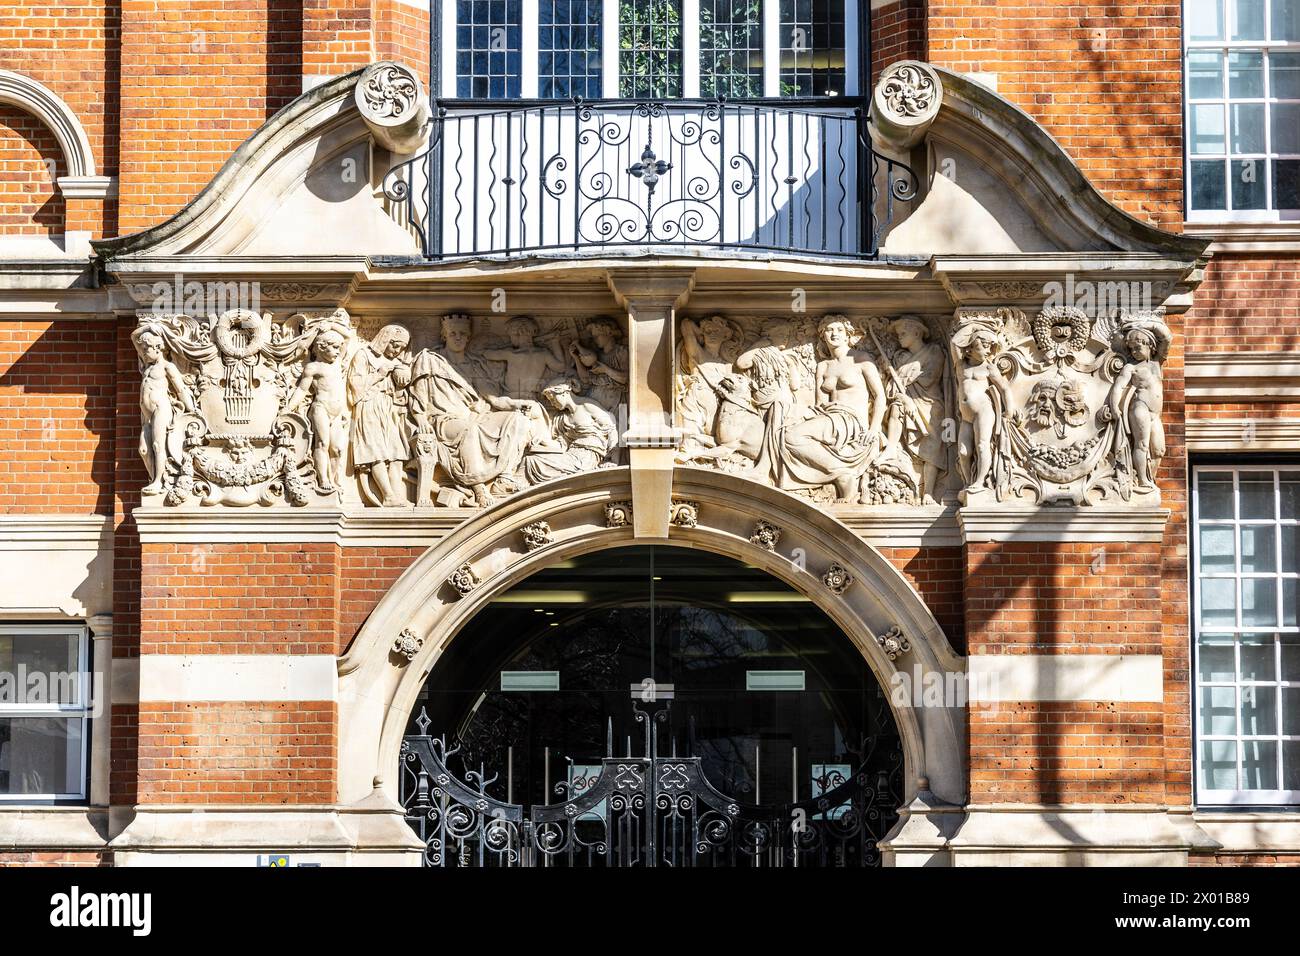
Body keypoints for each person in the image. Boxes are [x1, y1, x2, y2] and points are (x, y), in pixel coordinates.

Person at [408, 314, 544, 507]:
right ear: (444, 335)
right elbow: (418, 394)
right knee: (468, 429)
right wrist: (420, 418)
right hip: (444, 419)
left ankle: (504, 480)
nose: (458, 337)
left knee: (518, 420)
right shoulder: (430, 359)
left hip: (475, 415)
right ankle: (479, 488)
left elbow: (494, 399)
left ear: (469, 337)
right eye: (452, 333)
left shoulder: (474, 364)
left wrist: (517, 405)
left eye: (462, 334)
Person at [753, 315, 886, 501]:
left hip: (850, 419)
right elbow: (820, 404)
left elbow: (880, 396)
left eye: (839, 330)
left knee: (793, 436)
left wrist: (874, 428)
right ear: (823, 336)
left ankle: (841, 474)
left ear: (848, 335)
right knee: (780, 407)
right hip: (828, 415)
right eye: (829, 330)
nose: (834, 334)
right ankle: (763, 467)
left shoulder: (862, 359)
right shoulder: (823, 366)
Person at [883, 317, 948, 504]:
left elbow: (929, 378)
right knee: (896, 407)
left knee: (932, 445)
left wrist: (902, 375)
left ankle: (928, 491)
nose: (900, 338)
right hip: (905, 400)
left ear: (917, 333)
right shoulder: (900, 358)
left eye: (903, 333)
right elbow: (893, 387)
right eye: (898, 335)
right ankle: (891, 448)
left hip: (930, 404)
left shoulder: (934, 352)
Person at [348, 324, 412, 507]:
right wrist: (381, 373)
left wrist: (402, 378)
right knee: (375, 451)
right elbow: (356, 386)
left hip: (388, 407)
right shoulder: (363, 355)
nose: (397, 351)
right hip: (368, 406)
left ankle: (398, 495)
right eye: (395, 345)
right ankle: (388, 495)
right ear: (385, 339)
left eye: (401, 348)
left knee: (396, 452)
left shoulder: (396, 362)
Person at [132, 325, 197, 496]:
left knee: (157, 445)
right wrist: (149, 326)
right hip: (147, 416)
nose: (144, 352)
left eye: (147, 349)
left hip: (161, 410)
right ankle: (155, 476)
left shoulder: (167, 367)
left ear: (158, 347)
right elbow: (134, 337)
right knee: (144, 449)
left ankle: (158, 482)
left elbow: (181, 388)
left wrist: (191, 410)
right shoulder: (146, 366)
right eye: (143, 349)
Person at [1104, 323, 1169, 492]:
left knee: (1159, 450)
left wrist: (1147, 325)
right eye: (1131, 349)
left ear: (1149, 344)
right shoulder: (1130, 367)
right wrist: (1115, 407)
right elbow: (1118, 387)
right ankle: (1142, 481)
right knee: (1142, 444)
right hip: (1140, 407)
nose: (1133, 352)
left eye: (1137, 347)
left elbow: (1167, 337)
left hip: (1155, 414)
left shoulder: (1157, 363)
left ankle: (1149, 478)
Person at [287, 328, 349, 494]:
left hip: (336, 413)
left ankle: (334, 479)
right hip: (321, 407)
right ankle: (323, 479)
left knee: (337, 449)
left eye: (338, 348)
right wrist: (288, 408)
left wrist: (329, 323)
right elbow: (301, 390)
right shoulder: (313, 368)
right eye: (334, 347)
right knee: (322, 443)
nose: (338, 351)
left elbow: (348, 338)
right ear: (322, 347)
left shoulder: (337, 362)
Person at [522, 380, 618, 483]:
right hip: (570, 454)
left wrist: (614, 459)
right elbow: (561, 445)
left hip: (586, 457)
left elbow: (611, 427)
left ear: (564, 392)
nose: (552, 403)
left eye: (553, 398)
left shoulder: (586, 406)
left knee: (533, 462)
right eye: (550, 400)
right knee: (531, 460)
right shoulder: (562, 419)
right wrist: (542, 440)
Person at [481, 316, 569, 401]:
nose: (510, 339)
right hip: (531, 400)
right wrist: (555, 342)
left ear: (519, 333)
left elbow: (486, 354)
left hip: (510, 399)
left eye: (511, 335)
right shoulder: (543, 353)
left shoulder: (511, 353)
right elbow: (561, 367)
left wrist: (504, 346)